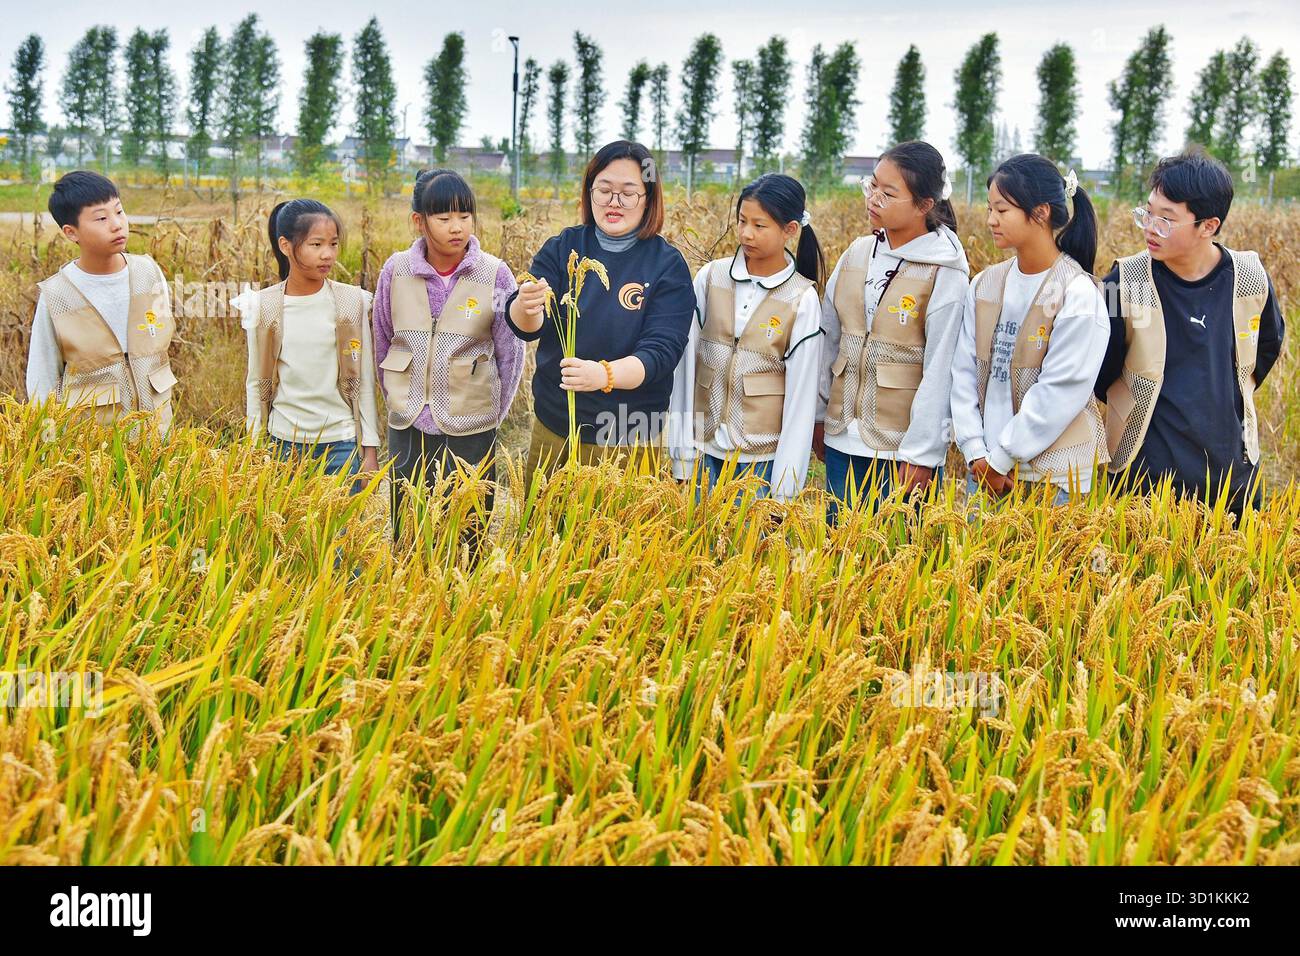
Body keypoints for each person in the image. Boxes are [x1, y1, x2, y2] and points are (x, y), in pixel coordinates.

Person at [1095, 147, 1284, 519]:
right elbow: (1099, 369)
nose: (1150, 227)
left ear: (1208, 226)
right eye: (1148, 213)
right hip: (1143, 483)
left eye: (1166, 220)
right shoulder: (1123, 281)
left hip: (1232, 483)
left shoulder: (1249, 278)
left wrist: (1223, 394)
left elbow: (1265, 349)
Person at [506, 140, 695, 479]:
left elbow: (661, 353)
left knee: (618, 531)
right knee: (543, 526)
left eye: (628, 192)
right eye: (604, 190)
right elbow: (528, 325)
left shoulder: (666, 266)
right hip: (557, 425)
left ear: (649, 198)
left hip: (628, 434)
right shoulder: (564, 247)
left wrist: (603, 376)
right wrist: (525, 305)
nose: (614, 202)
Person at [815, 142, 970, 524]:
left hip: (899, 450)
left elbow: (941, 367)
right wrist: (819, 415)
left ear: (924, 205)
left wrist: (922, 453)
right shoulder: (858, 252)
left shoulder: (945, 271)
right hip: (841, 435)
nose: (874, 199)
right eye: (872, 186)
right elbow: (826, 338)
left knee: (895, 559)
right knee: (839, 553)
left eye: (889, 193)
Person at [373, 169, 524, 554]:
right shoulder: (396, 271)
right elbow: (382, 339)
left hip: (472, 424)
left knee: (469, 528)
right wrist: (397, 396)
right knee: (408, 527)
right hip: (408, 423)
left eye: (465, 216)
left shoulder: (494, 273)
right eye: (444, 218)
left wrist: (492, 413)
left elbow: (510, 352)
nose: (456, 227)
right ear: (419, 221)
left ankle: (463, 597)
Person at [950, 153, 1110, 507]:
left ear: (1041, 213)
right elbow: (962, 372)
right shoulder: (985, 285)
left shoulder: (1078, 293)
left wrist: (1002, 457)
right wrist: (976, 449)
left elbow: (1060, 392)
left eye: (1002, 210)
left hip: (1054, 478)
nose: (991, 220)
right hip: (986, 469)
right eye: (990, 208)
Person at [667, 173, 825, 505]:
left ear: (790, 230)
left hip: (760, 464)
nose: (746, 233)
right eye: (741, 221)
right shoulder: (712, 278)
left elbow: (801, 399)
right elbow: (686, 369)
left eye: (759, 225)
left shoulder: (802, 298)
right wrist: (681, 454)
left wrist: (783, 491)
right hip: (702, 454)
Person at [239, 199, 380, 487]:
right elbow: (256, 382)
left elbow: (364, 380)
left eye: (333, 244)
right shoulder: (264, 307)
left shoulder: (350, 302)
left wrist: (370, 451)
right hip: (284, 447)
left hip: (340, 444)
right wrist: (254, 450)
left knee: (343, 531)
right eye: (316, 245)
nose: (327, 254)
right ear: (286, 246)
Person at [27, 170, 178, 435]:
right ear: (71, 233)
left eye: (119, 212)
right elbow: (43, 379)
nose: (117, 224)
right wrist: (47, 447)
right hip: (94, 446)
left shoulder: (149, 273)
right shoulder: (57, 296)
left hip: (158, 437)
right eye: (101, 218)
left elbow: (160, 344)